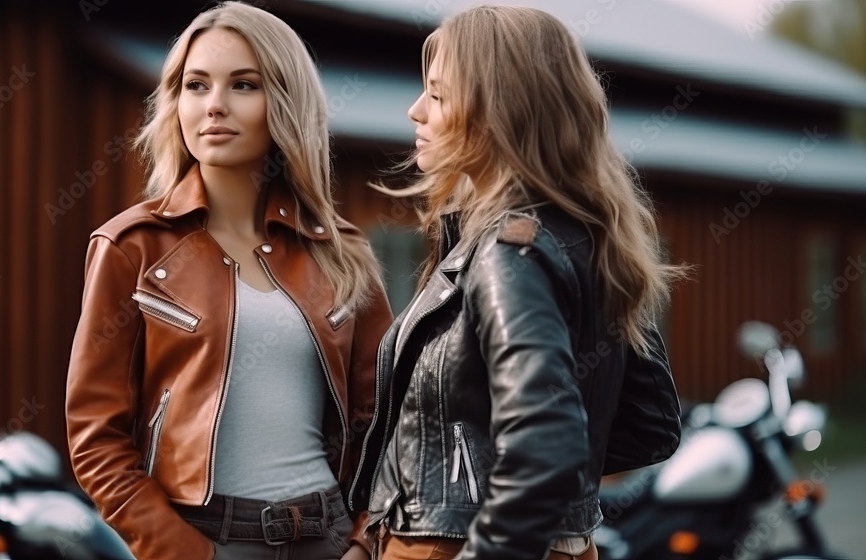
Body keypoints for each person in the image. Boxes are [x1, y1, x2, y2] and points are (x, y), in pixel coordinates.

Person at [345, 6, 686, 560]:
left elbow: (548, 446)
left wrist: (476, 497)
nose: (414, 111)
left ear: (497, 110)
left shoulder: (511, 252)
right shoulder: (583, 234)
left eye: (436, 96)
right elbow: (651, 425)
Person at [64, 3, 393, 559]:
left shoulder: (341, 250)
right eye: (196, 85)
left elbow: (385, 420)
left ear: (285, 101)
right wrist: (188, 554)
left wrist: (364, 541)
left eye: (243, 85)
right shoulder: (131, 247)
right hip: (207, 538)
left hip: (329, 538)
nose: (214, 105)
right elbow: (97, 441)